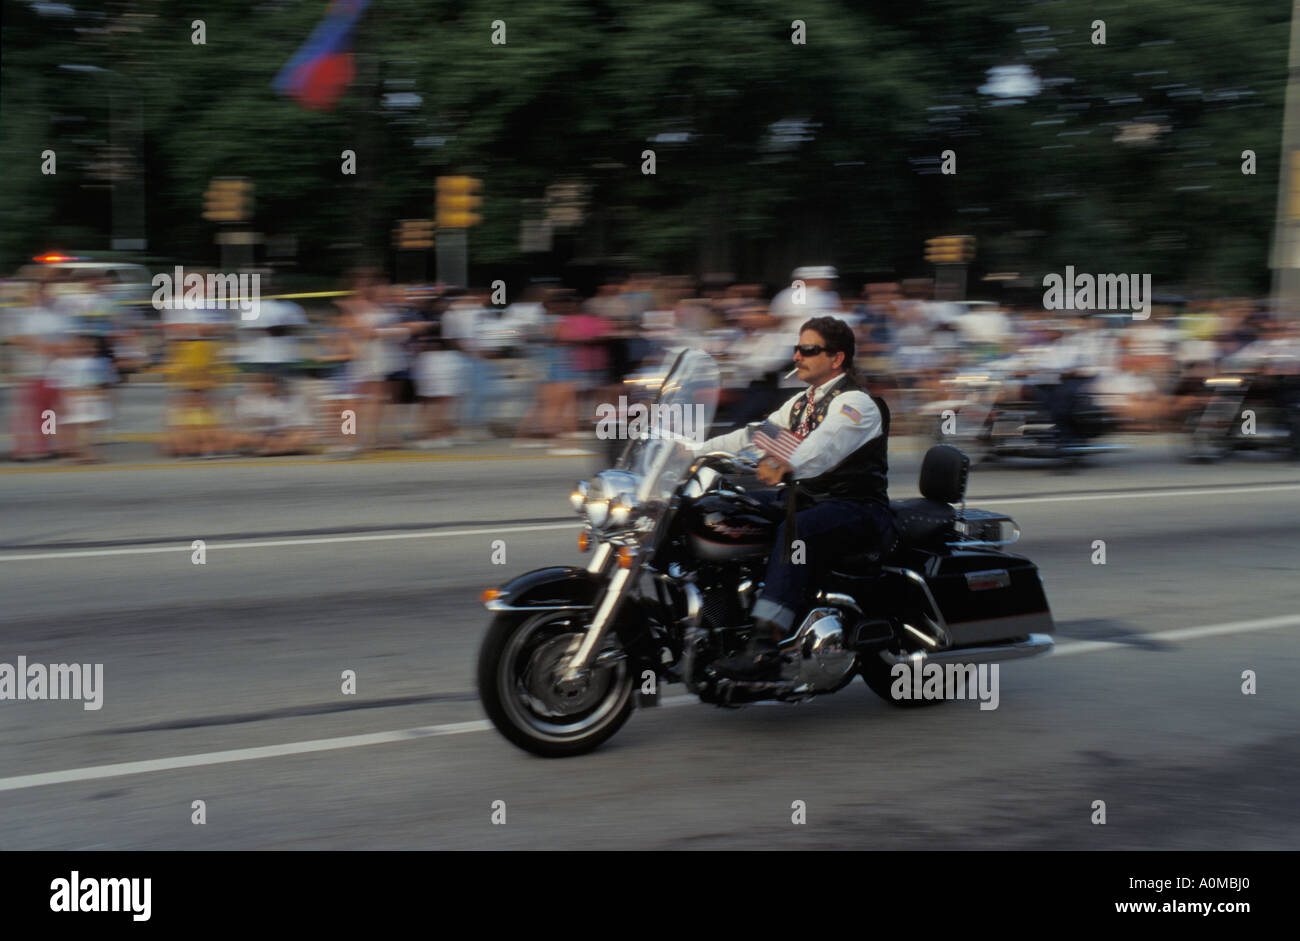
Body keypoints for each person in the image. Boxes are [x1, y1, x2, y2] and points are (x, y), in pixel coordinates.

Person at [697, 315, 897, 678]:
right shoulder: (802, 404)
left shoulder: (856, 404)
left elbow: (825, 447)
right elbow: (752, 436)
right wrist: (692, 452)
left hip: (856, 508)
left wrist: (786, 464)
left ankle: (765, 643)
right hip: (808, 499)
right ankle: (715, 617)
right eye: (797, 349)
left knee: (797, 530)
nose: (797, 356)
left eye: (809, 349)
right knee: (721, 510)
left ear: (836, 359)